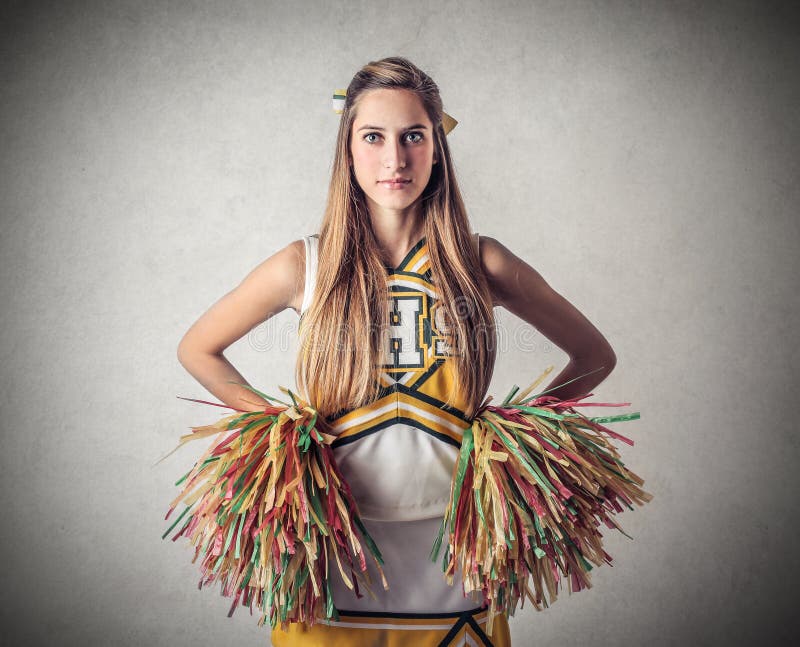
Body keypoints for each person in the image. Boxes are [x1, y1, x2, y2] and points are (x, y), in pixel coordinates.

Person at [176, 56, 617, 646]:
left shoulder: (479, 261)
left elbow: (593, 355)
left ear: (438, 147)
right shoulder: (306, 264)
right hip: (335, 560)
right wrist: (281, 442)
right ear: (348, 149)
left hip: (455, 562)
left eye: (414, 135)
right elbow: (198, 348)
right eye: (374, 137)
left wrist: (519, 445)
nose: (395, 158)